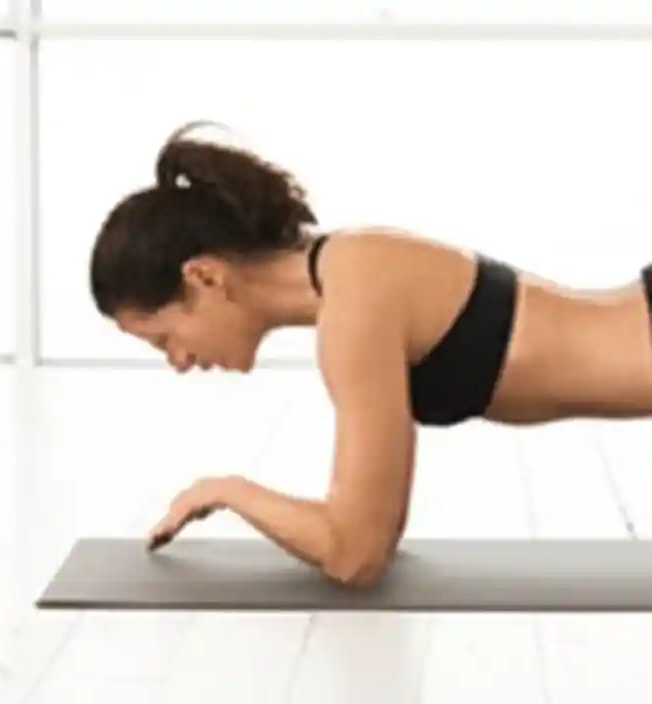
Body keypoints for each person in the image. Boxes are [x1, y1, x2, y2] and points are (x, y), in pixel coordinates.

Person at [90, 122, 652, 589]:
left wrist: (229, 490)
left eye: (166, 339)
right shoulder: (351, 267)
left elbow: (356, 552)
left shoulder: (355, 303)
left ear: (205, 276)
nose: (180, 362)